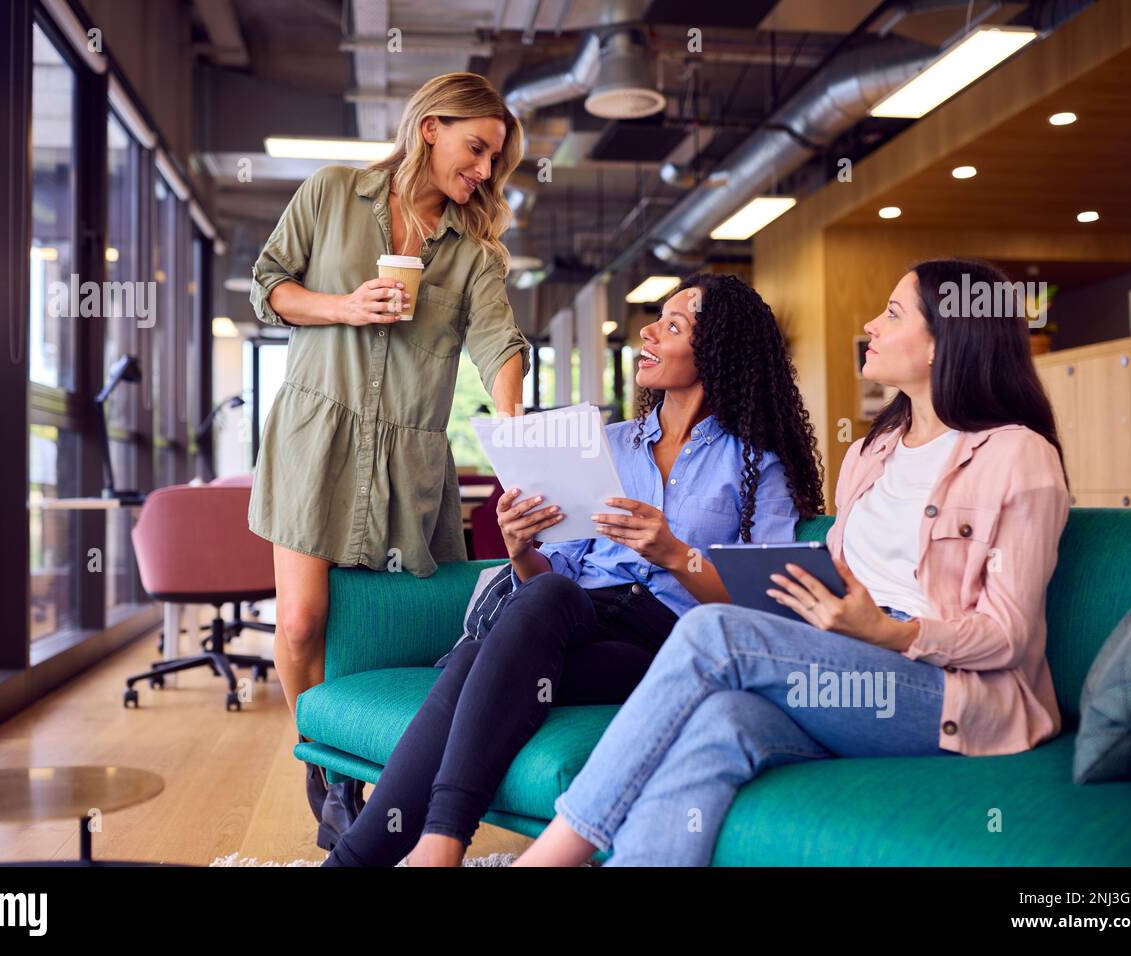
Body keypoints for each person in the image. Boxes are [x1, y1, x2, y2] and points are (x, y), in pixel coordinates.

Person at [514, 257, 1071, 867]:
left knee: (710, 629)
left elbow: (1009, 637)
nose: (870, 325)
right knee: (721, 722)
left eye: (891, 313)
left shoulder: (1019, 456)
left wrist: (890, 631)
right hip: (847, 665)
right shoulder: (871, 453)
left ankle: (549, 859)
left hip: (947, 694)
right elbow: (837, 575)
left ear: (947, 340)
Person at [325, 273, 825, 866]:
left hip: (667, 641)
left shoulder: (755, 464)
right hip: (578, 614)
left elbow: (761, 601)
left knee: (472, 656)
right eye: (656, 318)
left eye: (673, 325)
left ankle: (396, 853)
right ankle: (433, 845)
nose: (649, 332)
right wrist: (519, 549)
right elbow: (544, 581)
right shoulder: (605, 444)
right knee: (548, 594)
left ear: (717, 350)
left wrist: (672, 552)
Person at [245, 73, 532, 848]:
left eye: (493, 161)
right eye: (475, 149)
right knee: (303, 622)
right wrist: (342, 306)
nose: (481, 171)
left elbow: (500, 342)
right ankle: (330, 772)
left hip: (409, 456)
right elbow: (268, 284)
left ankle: (388, 777)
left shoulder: (472, 250)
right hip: (316, 437)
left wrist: (513, 431)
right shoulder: (333, 191)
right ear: (430, 127)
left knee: (397, 636)